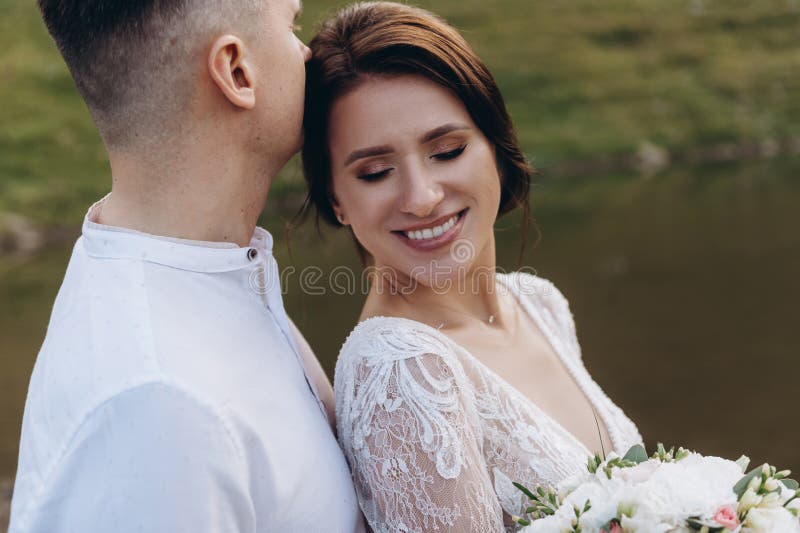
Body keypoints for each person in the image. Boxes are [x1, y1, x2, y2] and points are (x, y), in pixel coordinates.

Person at [10, 0, 365, 532]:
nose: (307, 53)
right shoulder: (158, 407)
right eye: (290, 27)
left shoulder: (206, 275)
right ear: (236, 72)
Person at [300, 2, 643, 531]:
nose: (422, 197)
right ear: (337, 200)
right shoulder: (400, 370)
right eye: (375, 172)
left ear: (496, 148)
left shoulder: (538, 304)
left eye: (448, 150)